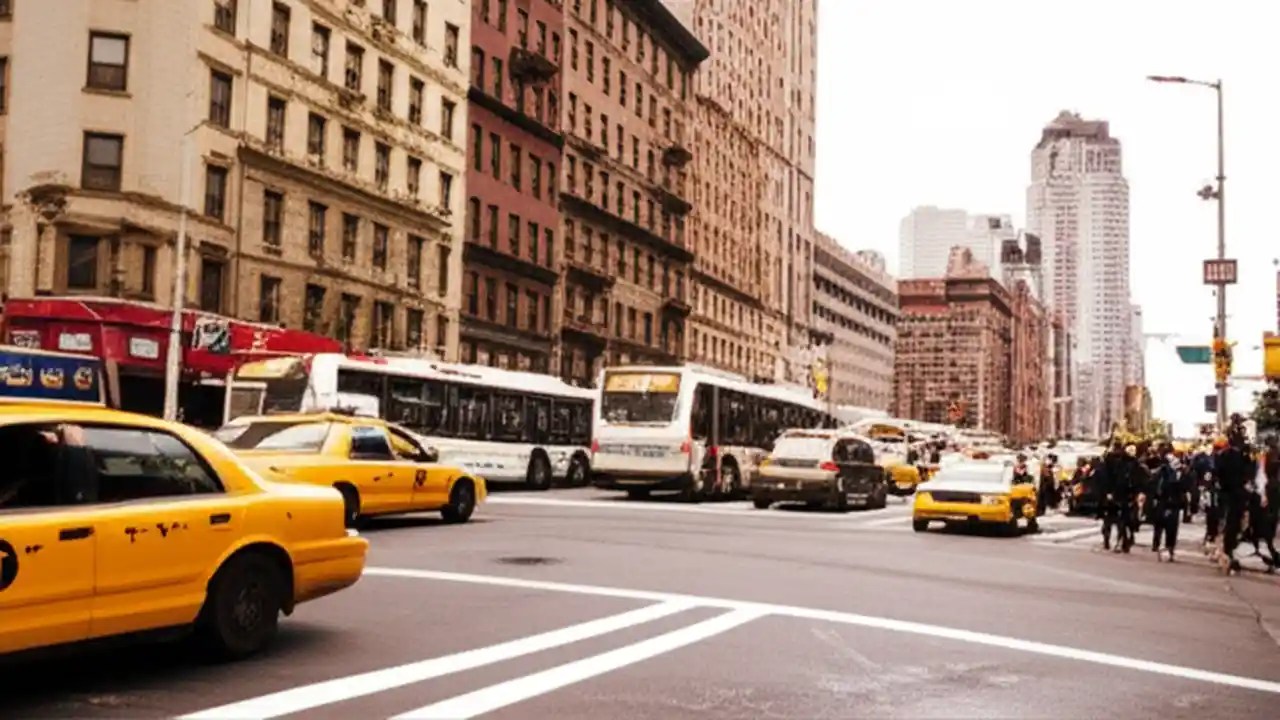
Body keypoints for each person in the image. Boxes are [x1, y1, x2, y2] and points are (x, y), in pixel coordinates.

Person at [1151, 452, 1187, 561]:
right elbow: (1180, 488)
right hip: (1170, 503)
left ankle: (1159, 546)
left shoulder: (1160, 473)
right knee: (1170, 528)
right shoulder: (1171, 474)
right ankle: (1168, 549)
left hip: (1164, 502)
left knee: (1161, 526)